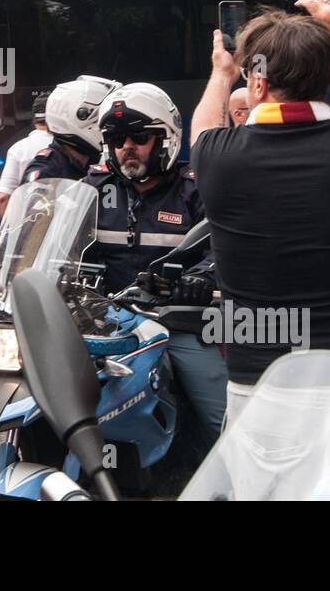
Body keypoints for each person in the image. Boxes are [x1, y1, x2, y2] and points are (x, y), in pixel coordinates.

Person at [189, 0, 330, 426]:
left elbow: (203, 123)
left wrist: (222, 72)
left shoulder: (216, 156)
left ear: (257, 83)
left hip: (260, 379)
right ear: (329, 77)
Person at [82, 82, 228, 445]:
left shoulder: (194, 189)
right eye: (117, 139)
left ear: (165, 139)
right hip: (102, 321)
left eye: (138, 137)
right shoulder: (93, 189)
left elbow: (225, 244)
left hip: (175, 321)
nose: (126, 147)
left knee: (223, 422)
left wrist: (202, 275)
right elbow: (45, 228)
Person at [21, 75, 120, 183]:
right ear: (81, 118)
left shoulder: (99, 161)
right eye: (99, 119)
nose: (106, 127)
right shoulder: (46, 172)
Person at [0, 93, 52, 216]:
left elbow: (3, 197)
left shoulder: (18, 149)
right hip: (66, 227)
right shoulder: (70, 146)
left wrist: (9, 232)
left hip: (29, 228)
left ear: (34, 119)